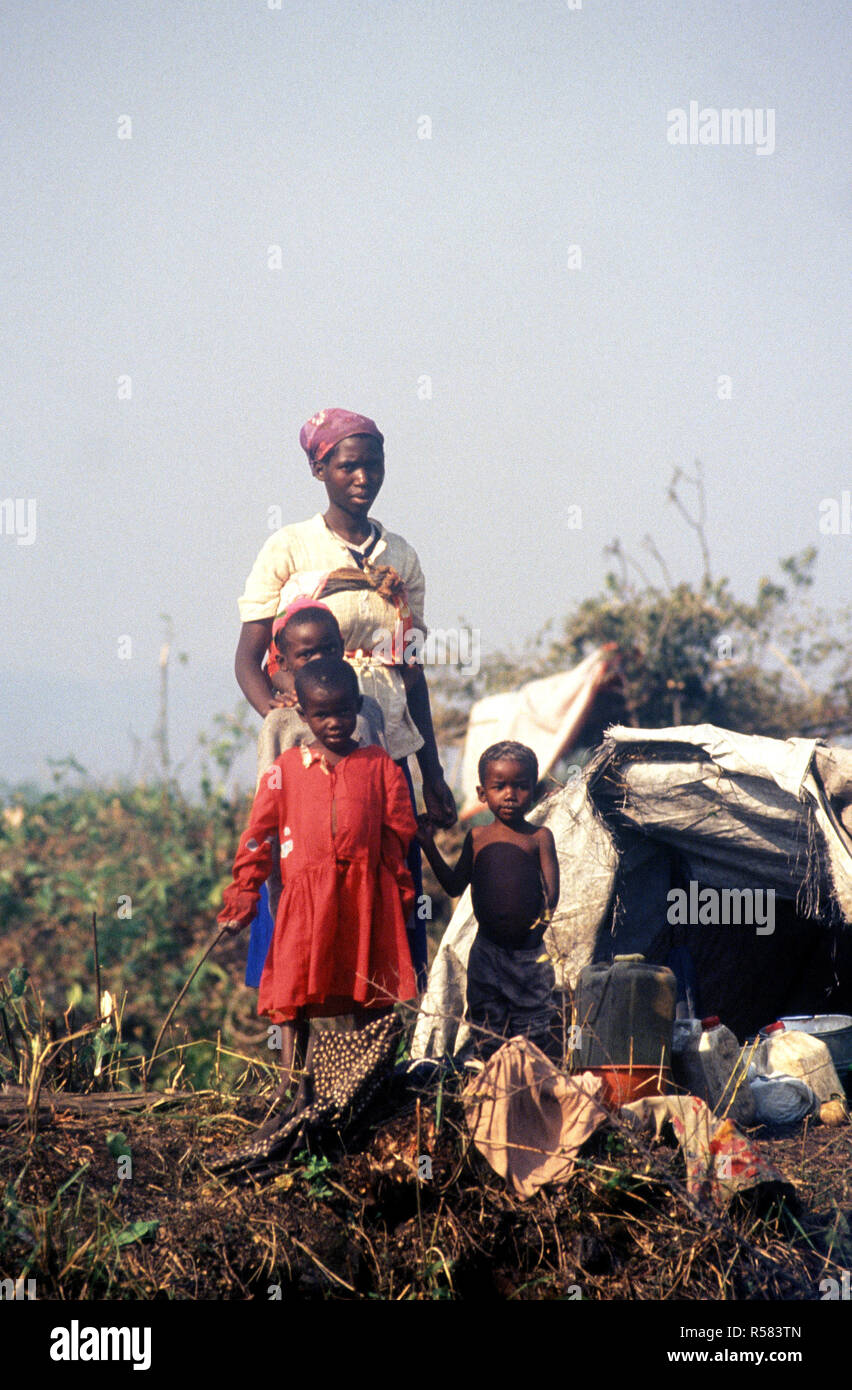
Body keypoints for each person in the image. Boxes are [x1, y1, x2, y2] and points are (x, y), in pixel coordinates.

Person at [233, 408, 456, 987]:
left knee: (385, 869)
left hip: (385, 739)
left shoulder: (400, 556)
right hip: (310, 741)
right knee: (303, 869)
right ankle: (294, 1033)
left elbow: (411, 673)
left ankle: (383, 1032)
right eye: (348, 466)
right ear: (319, 468)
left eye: (372, 465)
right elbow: (247, 658)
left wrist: (431, 773)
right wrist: (286, 721)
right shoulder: (289, 548)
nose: (363, 477)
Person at [219, 657, 418, 1103]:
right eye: (322, 714)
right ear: (303, 715)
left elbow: (397, 833)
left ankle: (368, 1079)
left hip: (365, 895)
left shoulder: (379, 765)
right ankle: (293, 1082)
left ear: (357, 708)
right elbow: (258, 836)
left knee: (367, 985)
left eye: (344, 712)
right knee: (295, 983)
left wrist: (399, 892)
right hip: (305, 898)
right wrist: (242, 898)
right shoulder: (285, 769)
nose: (335, 723)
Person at [417, 740, 560, 1058]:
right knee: (486, 1029)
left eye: (521, 786)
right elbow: (454, 886)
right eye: (500, 786)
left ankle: (529, 1090)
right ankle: (486, 1089)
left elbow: (552, 894)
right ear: (483, 795)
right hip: (486, 953)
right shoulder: (477, 838)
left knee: (533, 1029)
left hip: (529, 956)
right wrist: (428, 844)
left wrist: (538, 929)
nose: (510, 794)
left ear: (533, 791)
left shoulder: (539, 838)